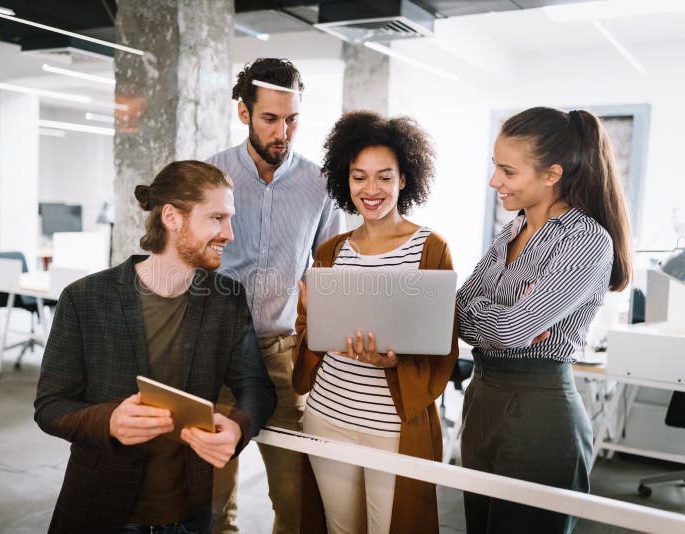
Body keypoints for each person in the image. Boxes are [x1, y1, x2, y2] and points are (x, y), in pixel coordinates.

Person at [34, 161, 277, 534]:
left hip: (189, 515)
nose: (229, 233)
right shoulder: (85, 299)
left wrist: (238, 428)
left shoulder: (226, 299)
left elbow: (256, 387)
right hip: (102, 511)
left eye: (229, 219)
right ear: (172, 217)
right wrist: (110, 421)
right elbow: (51, 407)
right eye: (216, 218)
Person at [456, 107, 632, 534]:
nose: (494, 181)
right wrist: (501, 323)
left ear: (552, 174)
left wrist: (499, 323)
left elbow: (509, 329)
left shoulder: (586, 239)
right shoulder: (511, 230)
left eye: (508, 171)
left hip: (538, 410)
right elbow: (459, 311)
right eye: (494, 167)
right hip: (481, 402)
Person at [292, 111, 459, 534]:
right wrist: (310, 314)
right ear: (344, 181)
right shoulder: (331, 250)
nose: (371, 190)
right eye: (358, 176)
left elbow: (443, 342)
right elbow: (308, 337)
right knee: (340, 528)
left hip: (390, 425)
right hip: (327, 414)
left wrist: (393, 362)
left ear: (404, 179)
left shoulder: (430, 249)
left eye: (385, 177)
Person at [207, 58, 345, 534]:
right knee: (212, 496)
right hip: (216, 354)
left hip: (284, 358)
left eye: (292, 119)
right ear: (244, 114)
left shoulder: (321, 184)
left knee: (296, 500)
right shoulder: (210, 176)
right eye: (270, 118)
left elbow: (328, 271)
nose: (282, 132)